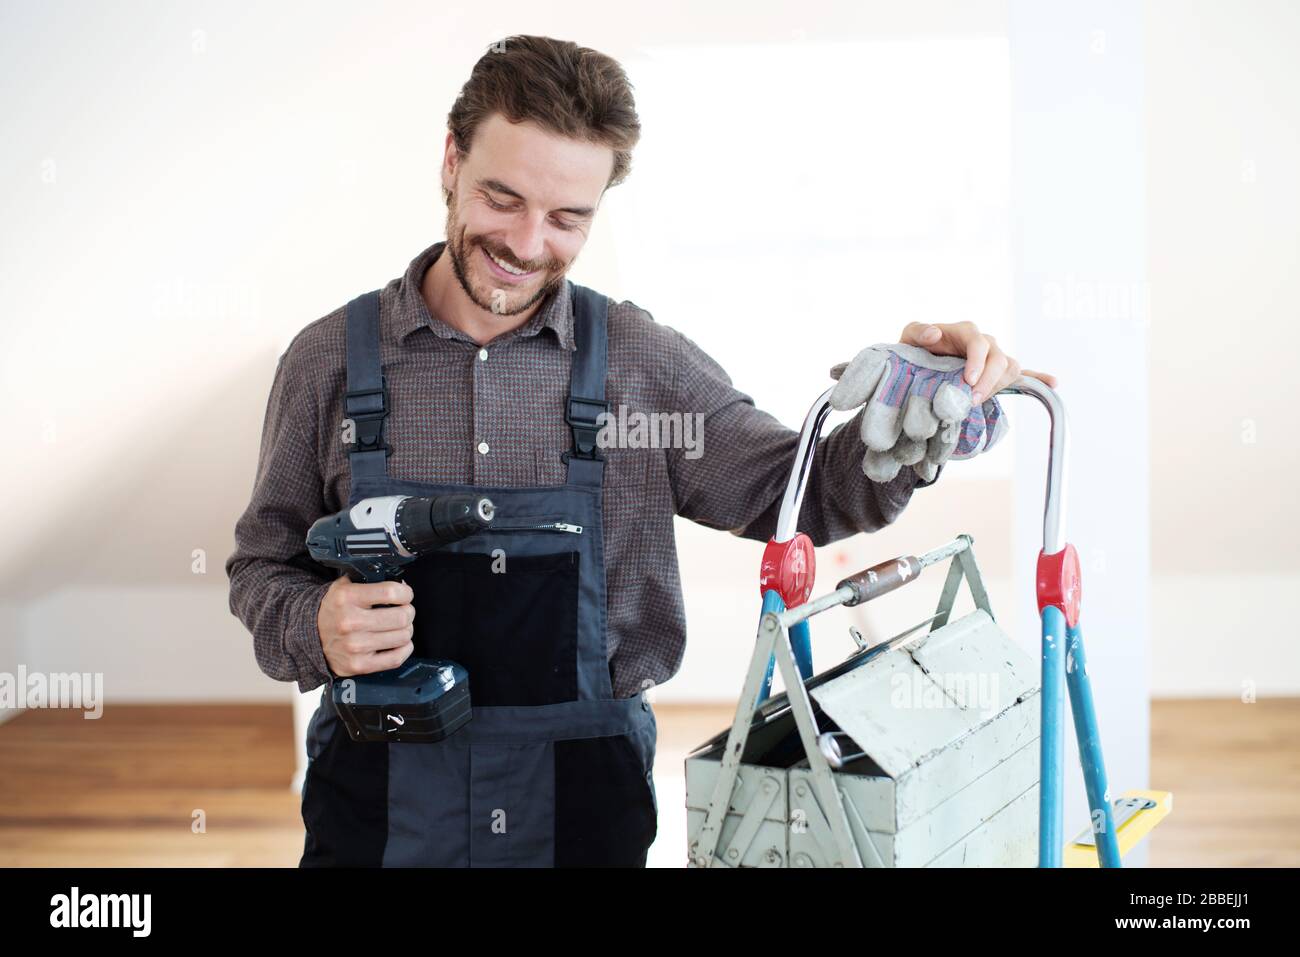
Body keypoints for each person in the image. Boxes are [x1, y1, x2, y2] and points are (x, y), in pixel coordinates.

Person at [225, 34, 1056, 868]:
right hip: (378, 804)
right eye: (501, 197)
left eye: (566, 218)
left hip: (584, 805)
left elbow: (799, 494)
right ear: (450, 159)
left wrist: (911, 413)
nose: (525, 242)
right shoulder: (329, 361)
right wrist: (314, 624)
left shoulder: (637, 363)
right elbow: (262, 564)